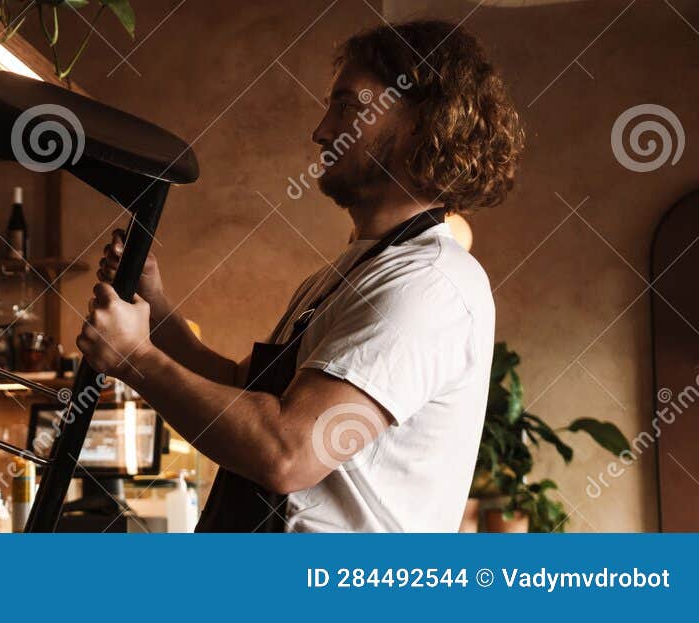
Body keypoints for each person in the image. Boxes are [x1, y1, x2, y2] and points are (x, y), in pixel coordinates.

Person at [76, 20, 524, 532]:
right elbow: (240, 389)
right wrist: (156, 310)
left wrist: (134, 360)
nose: (322, 131)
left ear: (427, 122)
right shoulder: (350, 270)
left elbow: (287, 451)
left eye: (348, 106)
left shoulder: (428, 283)